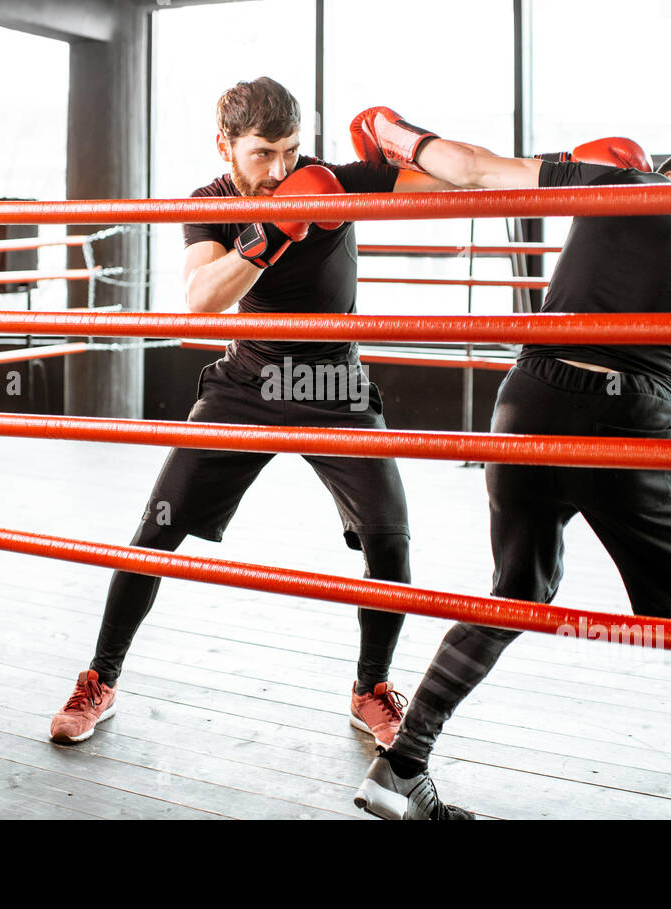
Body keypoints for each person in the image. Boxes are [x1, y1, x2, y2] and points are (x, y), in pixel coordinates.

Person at [348, 108, 671, 821]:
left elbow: (474, 169)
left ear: (669, 176)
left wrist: (398, 135)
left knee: (516, 594)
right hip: (630, 417)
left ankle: (401, 765)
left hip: (528, 398)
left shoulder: (618, 180)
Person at [49, 80, 457, 750]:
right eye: (264, 153)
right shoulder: (210, 203)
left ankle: (371, 688)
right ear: (226, 146)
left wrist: (402, 143)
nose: (280, 171)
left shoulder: (330, 181)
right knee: (157, 527)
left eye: (290, 152)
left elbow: (451, 192)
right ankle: (101, 677)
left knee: (391, 534)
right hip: (247, 385)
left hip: (335, 385)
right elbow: (200, 298)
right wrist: (269, 232)